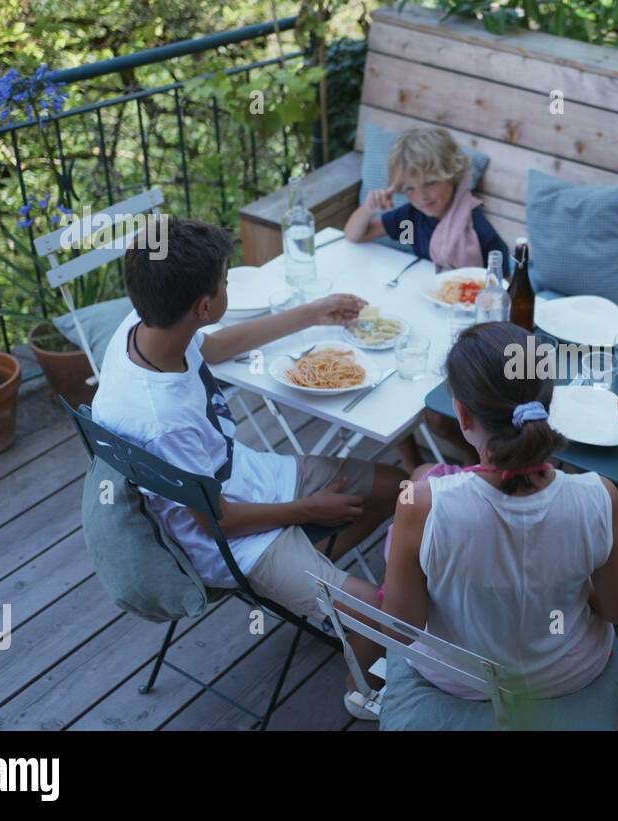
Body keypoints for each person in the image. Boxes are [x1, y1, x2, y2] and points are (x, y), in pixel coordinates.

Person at [91, 218, 407, 720]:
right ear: (204, 307)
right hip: (231, 542)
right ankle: (360, 682)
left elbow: (213, 348)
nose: (228, 285)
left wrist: (312, 314)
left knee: (400, 489)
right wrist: (308, 508)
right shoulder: (162, 420)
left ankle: (320, 587)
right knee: (382, 612)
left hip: (245, 477)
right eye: (225, 280)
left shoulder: (144, 328)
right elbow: (217, 522)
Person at [379, 323, 618, 730]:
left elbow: (402, 625)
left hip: (456, 679)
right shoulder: (600, 497)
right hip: (568, 676)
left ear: (462, 414)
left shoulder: (421, 504)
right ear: (547, 405)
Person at [343, 126, 509, 473]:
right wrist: (371, 205)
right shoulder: (411, 216)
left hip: (463, 332)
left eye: (430, 182)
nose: (422, 196)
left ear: (451, 174)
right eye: (409, 188)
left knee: (437, 417)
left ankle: (471, 461)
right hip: (419, 315)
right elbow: (356, 234)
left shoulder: (472, 224)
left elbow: (502, 280)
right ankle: (411, 463)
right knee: (379, 382)